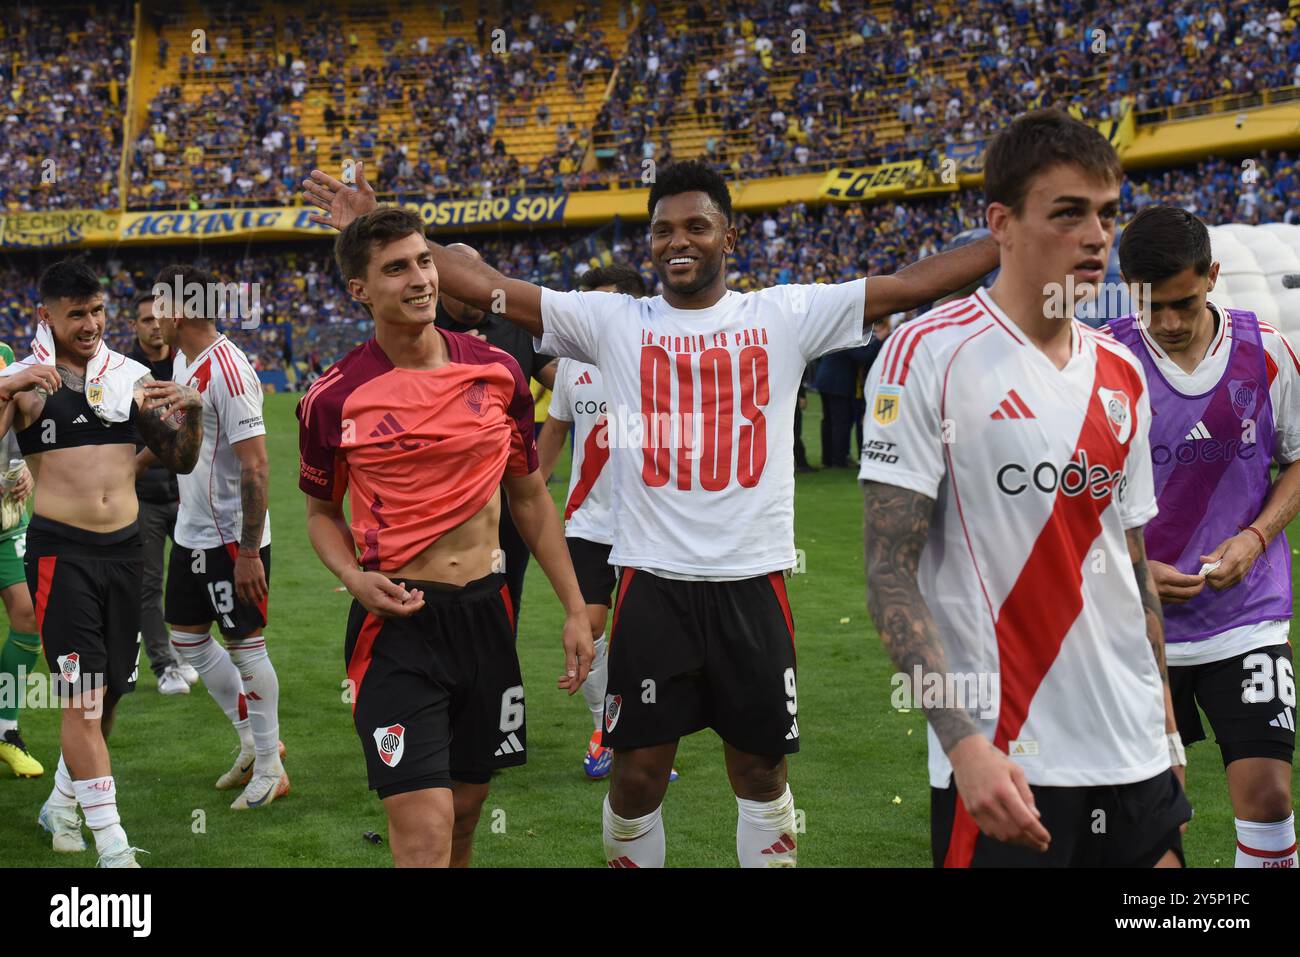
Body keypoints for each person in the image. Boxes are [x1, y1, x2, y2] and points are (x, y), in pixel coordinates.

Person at [303, 158, 998, 867]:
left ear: (730, 235)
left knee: (760, 772)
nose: (678, 241)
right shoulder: (611, 322)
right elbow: (485, 285)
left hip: (753, 581)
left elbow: (914, 283)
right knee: (635, 778)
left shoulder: (785, 315)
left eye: (696, 225)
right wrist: (372, 219)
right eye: (663, 229)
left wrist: (1014, 238)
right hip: (652, 586)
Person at [860, 109, 1190, 868]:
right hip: (1010, 759)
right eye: (1068, 213)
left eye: (1107, 214)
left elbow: (1131, 559)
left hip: (1133, 749)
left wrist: (1166, 720)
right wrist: (963, 745)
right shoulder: (927, 355)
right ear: (1001, 223)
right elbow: (886, 572)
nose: (1097, 236)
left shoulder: (1124, 372)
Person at [297, 208, 591, 867]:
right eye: (396, 267)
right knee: (424, 834)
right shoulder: (334, 395)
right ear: (360, 290)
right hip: (396, 623)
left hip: (488, 616)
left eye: (423, 261)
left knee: (462, 820)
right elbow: (320, 511)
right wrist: (353, 577)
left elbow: (529, 495)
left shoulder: (497, 371)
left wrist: (575, 606)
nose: (420, 277)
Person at [1109, 205, 1299, 868]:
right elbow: (1065, 503)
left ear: (1213, 276)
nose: (1166, 321)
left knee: (1271, 796)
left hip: (1247, 619)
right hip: (1136, 628)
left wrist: (1256, 534)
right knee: (1152, 830)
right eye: (1149, 303)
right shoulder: (1101, 364)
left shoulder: (1267, 351)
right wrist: (1131, 569)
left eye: (1182, 302)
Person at [0, 260, 202, 867]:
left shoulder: (131, 376)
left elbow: (181, 459)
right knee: (83, 698)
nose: (90, 325)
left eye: (97, 313)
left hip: (126, 551)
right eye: (76, 314)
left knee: (110, 691)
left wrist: (188, 408)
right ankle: (114, 851)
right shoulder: (27, 382)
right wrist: (5, 389)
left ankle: (62, 803)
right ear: (47, 315)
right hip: (62, 555)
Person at [140, 265, 286, 810]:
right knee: (187, 640)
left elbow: (256, 467)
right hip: (193, 530)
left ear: (178, 311)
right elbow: (181, 441)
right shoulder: (183, 361)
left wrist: (249, 552)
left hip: (231, 540)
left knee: (246, 647)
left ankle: (270, 765)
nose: (154, 318)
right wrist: (129, 468)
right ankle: (251, 741)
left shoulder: (229, 370)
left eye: (159, 306)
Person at [535, 262, 649, 780]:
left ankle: (646, 736)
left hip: (652, 523)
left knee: (649, 635)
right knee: (590, 629)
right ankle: (607, 730)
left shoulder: (657, 356)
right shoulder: (574, 364)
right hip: (588, 522)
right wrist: (530, 494)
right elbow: (555, 433)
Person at [434, 240, 558, 634]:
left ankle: (500, 682)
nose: (472, 291)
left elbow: (560, 378)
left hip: (508, 492)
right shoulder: (418, 325)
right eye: (459, 281)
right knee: (439, 596)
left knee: (507, 592)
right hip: (438, 494)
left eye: (477, 279)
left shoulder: (514, 322)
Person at [128, 290, 196, 696]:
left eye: (159, 318)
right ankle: (165, 664)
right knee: (148, 584)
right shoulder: (124, 373)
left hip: (189, 494)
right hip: (146, 497)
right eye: (145, 320)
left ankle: (188, 650)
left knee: (191, 579)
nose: (154, 325)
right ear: (134, 326)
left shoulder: (186, 365)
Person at [0, 340, 41, 778]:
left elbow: (19, 424)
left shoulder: (5, 354)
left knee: (29, 616)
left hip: (8, 523)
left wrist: (26, 466)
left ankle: (6, 730)